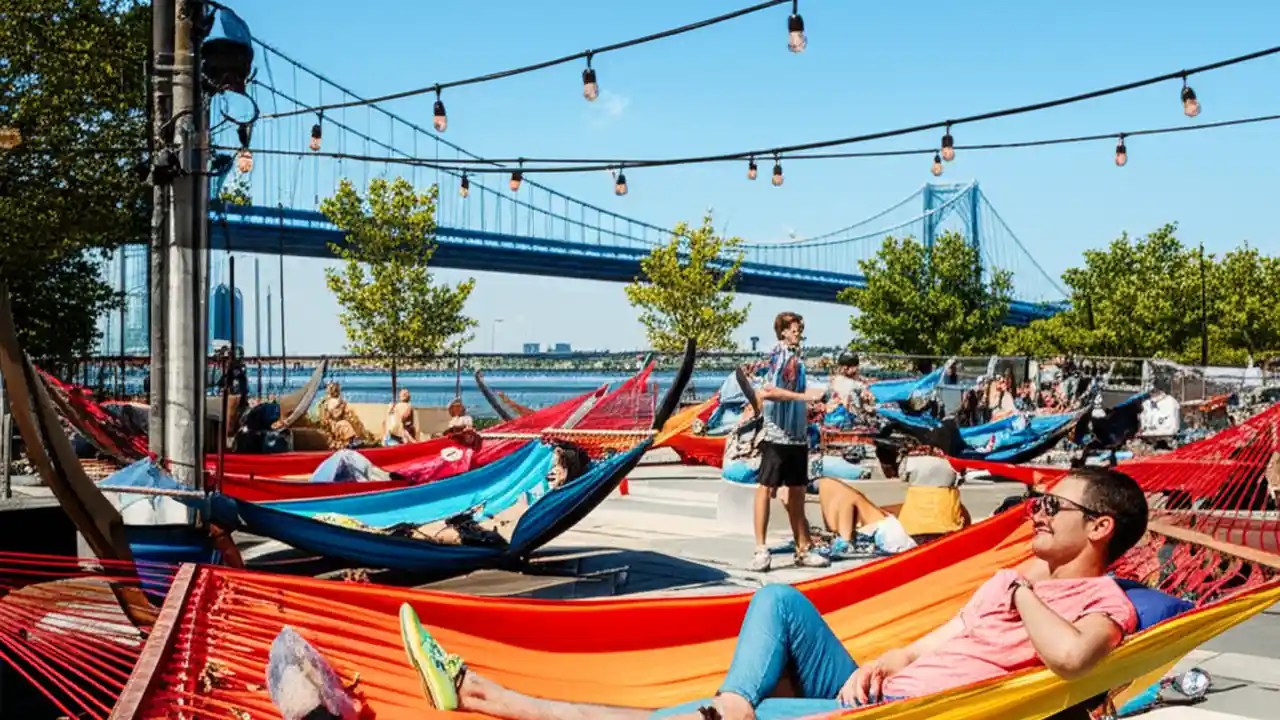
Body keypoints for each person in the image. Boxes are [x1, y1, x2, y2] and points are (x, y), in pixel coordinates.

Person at [395, 466, 1148, 720]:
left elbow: (1078, 662)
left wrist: (1022, 592)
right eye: (1042, 500)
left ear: (1101, 528)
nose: (1039, 511)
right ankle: (738, 699)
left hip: (913, 714)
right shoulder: (1011, 576)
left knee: (693, 718)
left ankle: (496, 700)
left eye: (1055, 507)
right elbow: (942, 642)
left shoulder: (1101, 602)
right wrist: (884, 655)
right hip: (883, 686)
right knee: (780, 601)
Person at [750, 312, 829, 572]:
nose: (798, 333)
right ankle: (761, 549)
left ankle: (803, 548)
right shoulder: (779, 354)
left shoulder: (798, 358)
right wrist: (804, 397)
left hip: (797, 436)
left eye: (800, 329)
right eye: (795, 329)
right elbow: (769, 391)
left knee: (797, 492)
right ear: (783, 331)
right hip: (777, 435)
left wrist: (814, 398)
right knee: (765, 488)